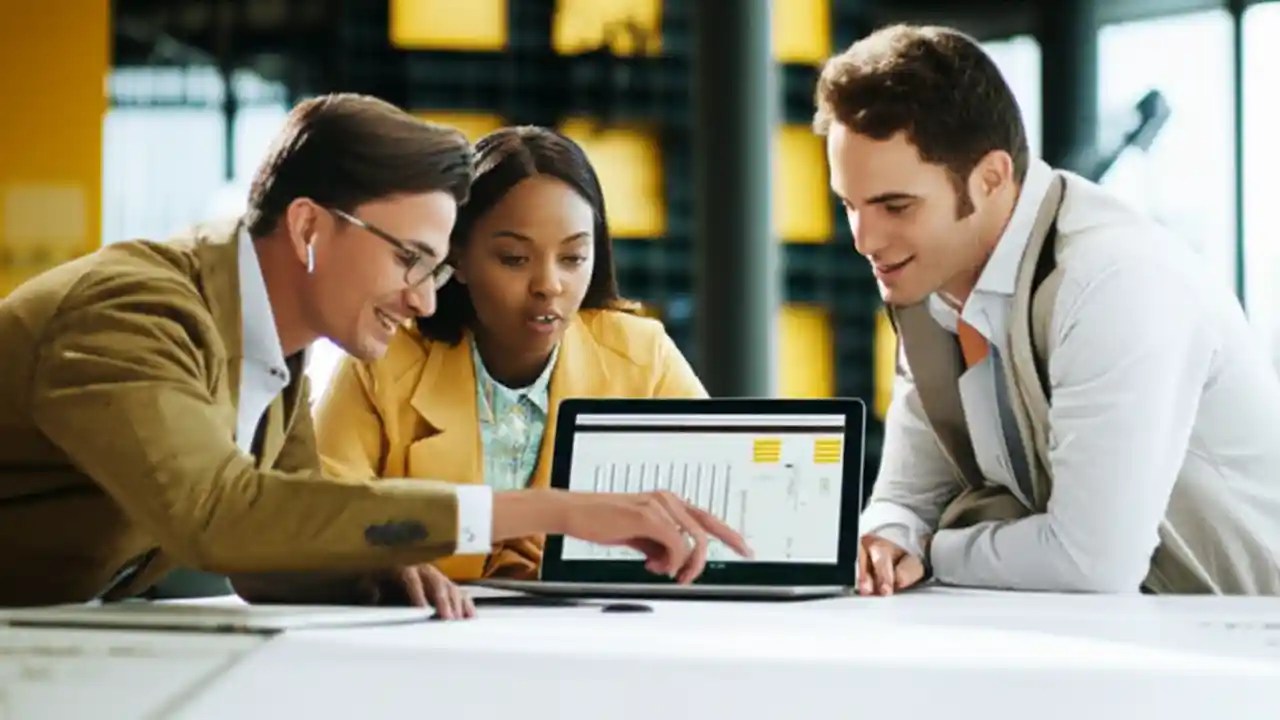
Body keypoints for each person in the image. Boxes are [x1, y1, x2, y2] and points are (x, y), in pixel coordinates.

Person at [0, 94, 748, 608]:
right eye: (409, 260)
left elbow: (268, 555)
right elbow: (220, 516)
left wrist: (373, 570)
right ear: (308, 230)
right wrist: (562, 511)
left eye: (434, 270)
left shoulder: (271, 350)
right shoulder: (135, 313)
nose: (424, 299)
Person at [814, 25, 1280, 596]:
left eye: (895, 206)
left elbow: (1091, 563)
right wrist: (888, 538)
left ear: (990, 178)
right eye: (850, 205)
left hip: (1246, 646)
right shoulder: (933, 290)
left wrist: (937, 547)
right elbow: (909, 498)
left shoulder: (1111, 282)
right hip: (1133, 639)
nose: (864, 239)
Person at [314, 126, 707, 618]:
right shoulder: (385, 358)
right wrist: (375, 563)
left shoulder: (642, 356)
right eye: (514, 258)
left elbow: (717, 513)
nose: (549, 285)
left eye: (573, 258)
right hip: (431, 639)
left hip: (597, 640)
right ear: (455, 255)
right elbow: (316, 511)